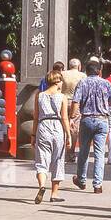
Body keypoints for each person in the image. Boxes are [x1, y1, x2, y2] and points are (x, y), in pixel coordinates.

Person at [72, 58, 111, 193]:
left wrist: (72, 118)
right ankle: (97, 184)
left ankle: (81, 180)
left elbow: (75, 102)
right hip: (102, 120)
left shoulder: (82, 82)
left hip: (86, 120)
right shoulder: (106, 84)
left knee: (84, 152)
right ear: (99, 71)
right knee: (99, 154)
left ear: (86, 72)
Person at [33, 66, 73, 204]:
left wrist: (33, 135)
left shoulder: (39, 96)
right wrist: (68, 135)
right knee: (57, 160)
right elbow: (65, 118)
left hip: (43, 126)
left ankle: (42, 186)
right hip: (57, 127)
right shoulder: (62, 97)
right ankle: (54, 194)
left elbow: (36, 117)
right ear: (57, 82)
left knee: (41, 160)